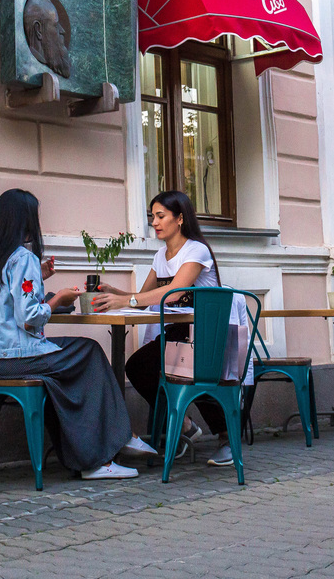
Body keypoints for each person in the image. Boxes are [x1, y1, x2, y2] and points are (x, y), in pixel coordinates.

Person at [0, 189, 154, 479]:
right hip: (16, 358)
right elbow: (29, 318)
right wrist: (59, 299)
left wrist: (37, 279)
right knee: (90, 352)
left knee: (74, 364)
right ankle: (102, 455)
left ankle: (103, 447)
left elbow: (8, 300)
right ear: (25, 221)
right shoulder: (23, 258)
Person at [92, 190, 252, 468]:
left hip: (209, 332)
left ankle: (227, 438)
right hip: (179, 333)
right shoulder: (160, 256)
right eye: (152, 216)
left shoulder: (196, 250)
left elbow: (176, 292)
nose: (154, 222)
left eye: (160, 216)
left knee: (198, 379)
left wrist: (125, 299)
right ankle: (186, 425)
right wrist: (113, 293)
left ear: (179, 219)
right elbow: (143, 300)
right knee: (139, 368)